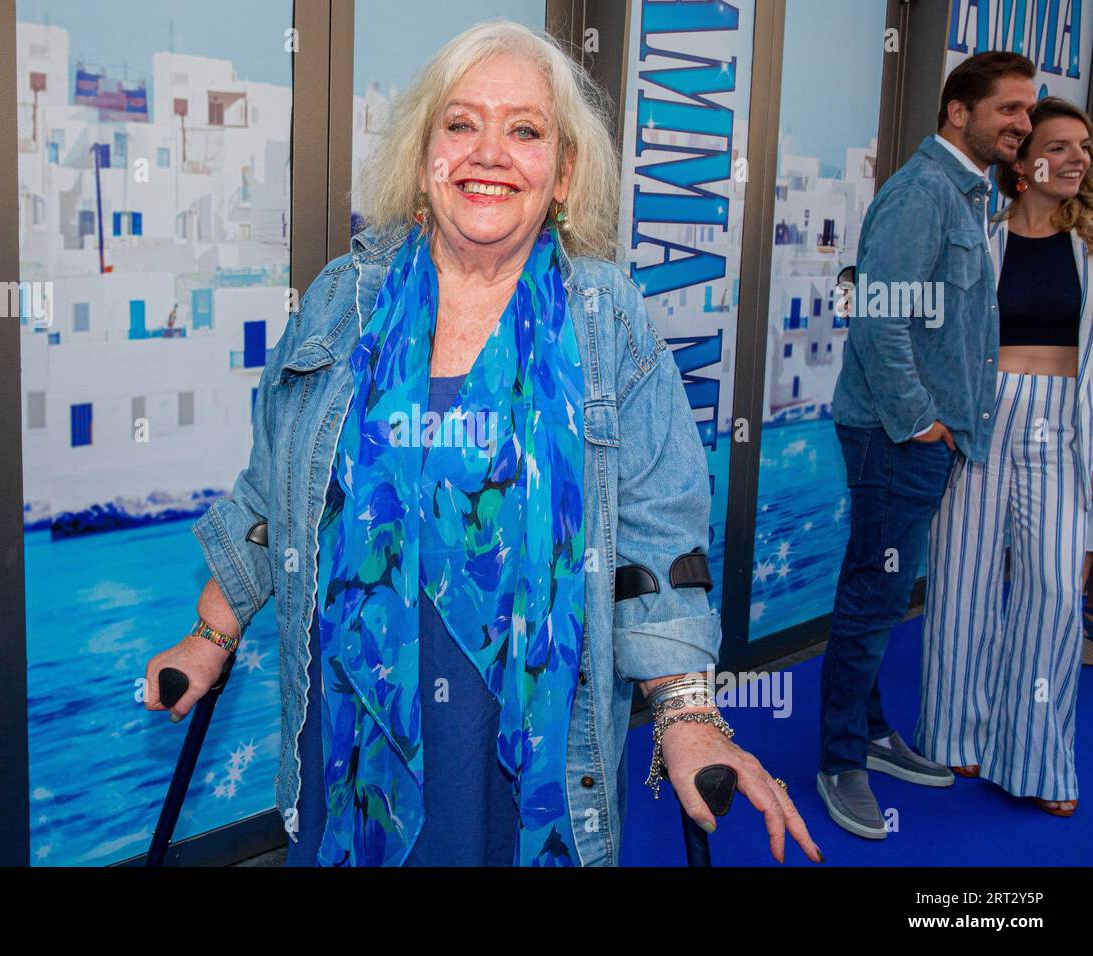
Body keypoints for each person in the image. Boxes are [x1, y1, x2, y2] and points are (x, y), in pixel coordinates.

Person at [145, 20, 821, 866]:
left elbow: (660, 532)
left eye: (525, 130)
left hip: (529, 736)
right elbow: (271, 489)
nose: (489, 152)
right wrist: (210, 636)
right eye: (462, 124)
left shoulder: (606, 319)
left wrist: (686, 714)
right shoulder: (342, 298)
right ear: (424, 156)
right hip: (355, 720)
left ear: (564, 171)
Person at [820, 51, 1038, 840]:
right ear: (957, 111)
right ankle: (840, 759)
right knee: (874, 597)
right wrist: (919, 423)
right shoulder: (921, 194)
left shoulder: (961, 193)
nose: (1022, 123)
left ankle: (870, 734)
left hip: (906, 435)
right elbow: (879, 318)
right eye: (1008, 109)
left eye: (1028, 110)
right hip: (892, 436)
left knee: (879, 589)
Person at [918, 96, 1093, 817]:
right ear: (1022, 165)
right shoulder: (980, 243)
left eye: (1086, 147)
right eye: (1061, 146)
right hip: (982, 422)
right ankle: (956, 731)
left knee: (1055, 592)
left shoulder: (1091, 253)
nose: (1078, 158)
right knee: (961, 585)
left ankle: (1038, 756)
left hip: (1065, 428)